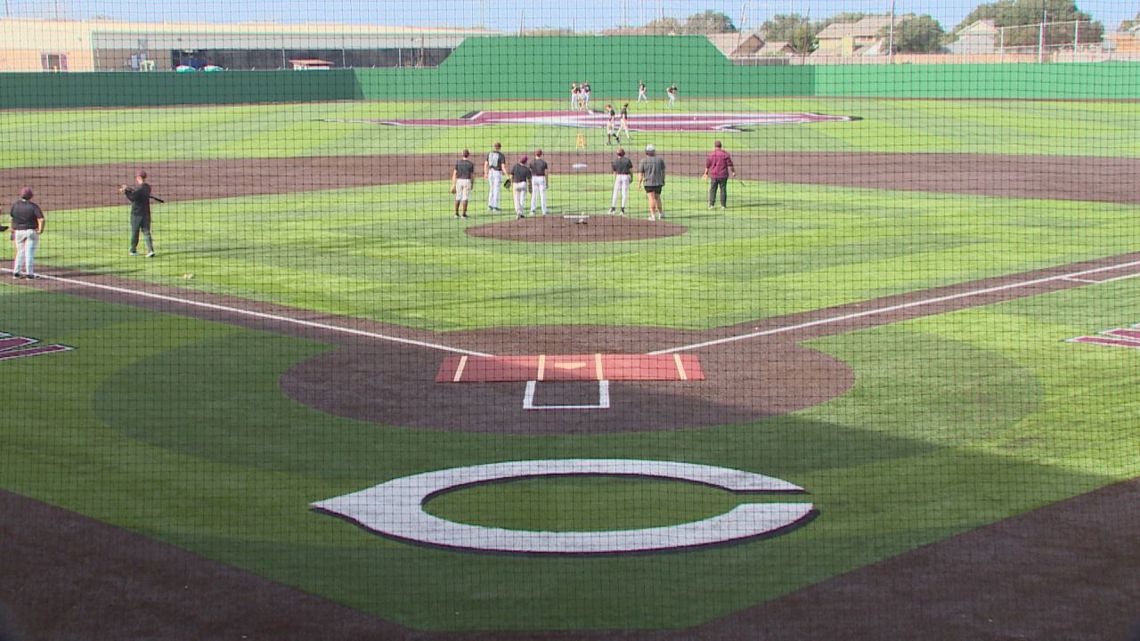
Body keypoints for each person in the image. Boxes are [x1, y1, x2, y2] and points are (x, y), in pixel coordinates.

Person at [10, 187, 44, 279]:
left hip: (18, 232)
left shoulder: (15, 205)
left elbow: (12, 218)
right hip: (31, 232)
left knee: (20, 252)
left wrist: (12, 230)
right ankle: (30, 274)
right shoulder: (33, 206)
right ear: (30, 196)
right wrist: (40, 229)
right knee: (29, 253)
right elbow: (41, 219)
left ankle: (16, 272)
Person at [120, 171, 156, 257]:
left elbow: (132, 198)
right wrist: (129, 189)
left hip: (136, 214)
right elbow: (137, 192)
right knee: (146, 232)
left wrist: (126, 191)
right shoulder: (147, 187)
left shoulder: (140, 190)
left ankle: (133, 250)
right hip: (146, 213)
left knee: (135, 232)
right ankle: (150, 250)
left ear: (139, 178)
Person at [702, 140, 736, 210]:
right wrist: (733, 172)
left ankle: (711, 205)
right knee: (723, 190)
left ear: (714, 146)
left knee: (712, 190)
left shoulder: (711, 154)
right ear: (721, 146)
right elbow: (730, 165)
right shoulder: (725, 154)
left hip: (714, 175)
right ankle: (723, 206)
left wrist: (705, 173)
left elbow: (707, 166)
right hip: (723, 175)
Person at [637, 144, 666, 221]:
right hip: (658, 183)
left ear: (646, 152)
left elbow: (641, 174)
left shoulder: (643, 161)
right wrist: (663, 180)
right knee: (658, 198)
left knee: (651, 199)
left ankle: (653, 216)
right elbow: (663, 172)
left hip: (648, 183)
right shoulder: (660, 160)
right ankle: (661, 214)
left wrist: (639, 184)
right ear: (654, 152)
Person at [450, 149, 476, 218]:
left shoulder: (458, 163)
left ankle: (456, 214)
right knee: (465, 198)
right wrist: (472, 183)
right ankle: (464, 214)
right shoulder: (470, 164)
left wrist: (453, 184)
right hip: (467, 181)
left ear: (462, 154)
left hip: (459, 181)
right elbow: (472, 175)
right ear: (468, 155)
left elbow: (454, 174)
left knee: (458, 196)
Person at [609, 148, 632, 215]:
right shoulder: (627, 160)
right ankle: (622, 210)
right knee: (624, 193)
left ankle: (613, 209)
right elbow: (630, 170)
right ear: (624, 153)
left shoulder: (615, 161)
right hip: (626, 176)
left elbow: (614, 172)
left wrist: (616, 178)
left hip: (618, 176)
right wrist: (631, 178)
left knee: (615, 192)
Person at [509, 155, 533, 219]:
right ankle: (521, 213)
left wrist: (510, 184)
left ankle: (518, 212)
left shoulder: (515, 166)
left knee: (516, 199)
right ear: (526, 162)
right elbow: (529, 180)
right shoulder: (527, 169)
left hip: (515, 184)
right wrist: (530, 188)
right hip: (523, 184)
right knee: (522, 199)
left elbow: (511, 176)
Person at [484, 142, 506, 212]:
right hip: (497, 173)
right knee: (496, 189)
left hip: (490, 172)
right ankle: (495, 206)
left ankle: (490, 205)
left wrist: (486, 173)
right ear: (499, 147)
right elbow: (503, 167)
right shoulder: (501, 155)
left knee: (491, 189)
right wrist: (507, 175)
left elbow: (485, 164)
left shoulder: (489, 153)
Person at [528, 149, 550, 216]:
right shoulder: (544, 163)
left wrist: (530, 182)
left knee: (534, 195)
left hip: (534, 178)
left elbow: (530, 172)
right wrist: (547, 182)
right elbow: (546, 174)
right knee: (542, 195)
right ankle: (544, 211)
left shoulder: (531, 162)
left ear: (535, 154)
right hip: (541, 178)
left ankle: (532, 210)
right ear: (541, 154)